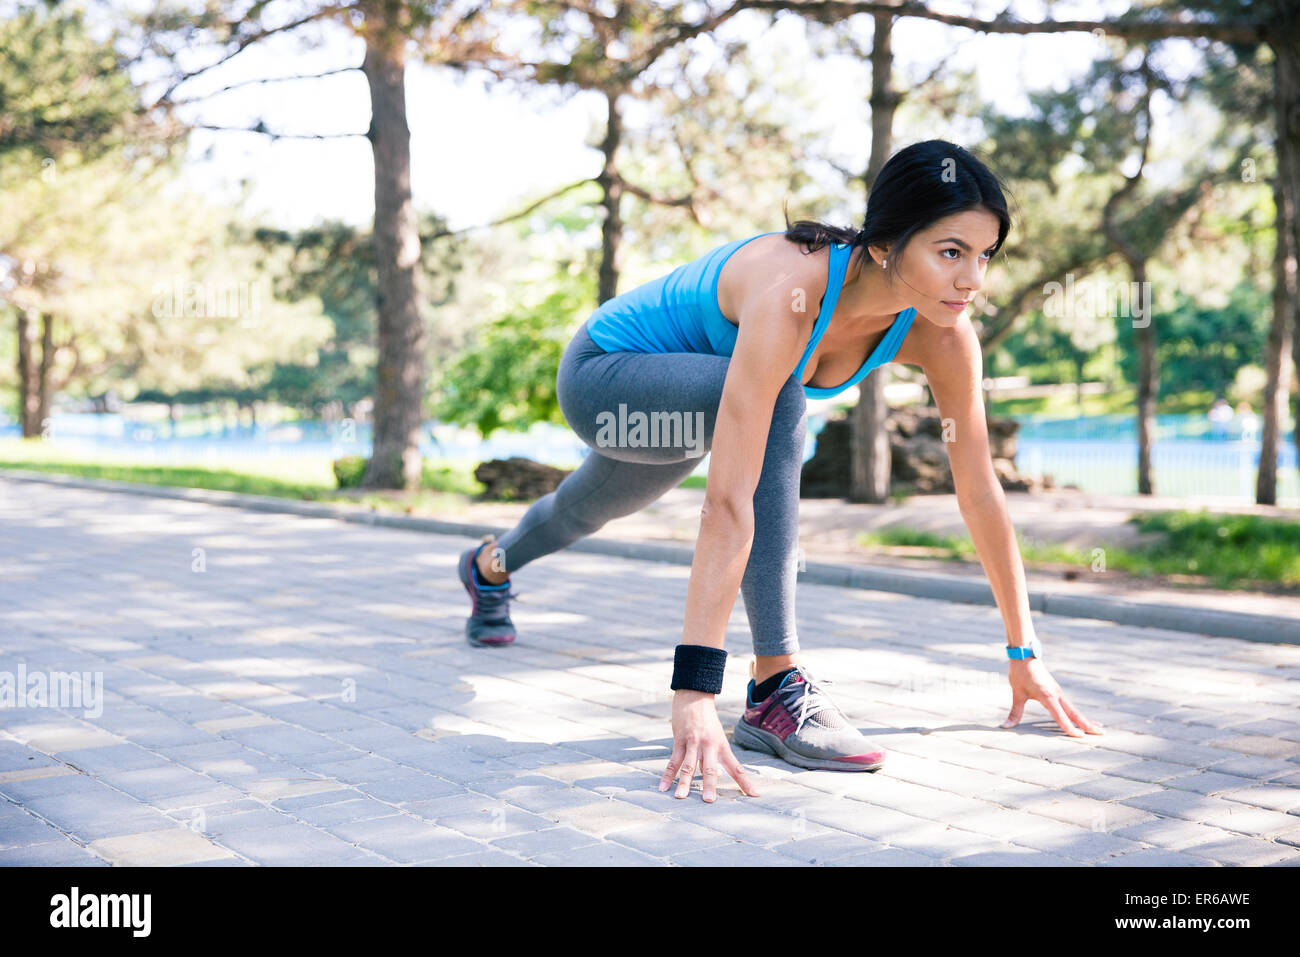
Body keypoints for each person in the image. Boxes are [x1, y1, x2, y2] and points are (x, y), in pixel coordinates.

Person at [457, 139, 1104, 803]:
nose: (974, 279)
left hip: (698, 403)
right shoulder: (794, 290)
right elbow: (729, 502)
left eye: (984, 254)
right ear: (885, 244)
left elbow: (979, 492)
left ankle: (488, 568)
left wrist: (1026, 653)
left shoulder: (943, 332)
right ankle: (775, 686)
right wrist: (694, 691)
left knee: (584, 508)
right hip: (606, 376)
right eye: (950, 252)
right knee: (784, 399)